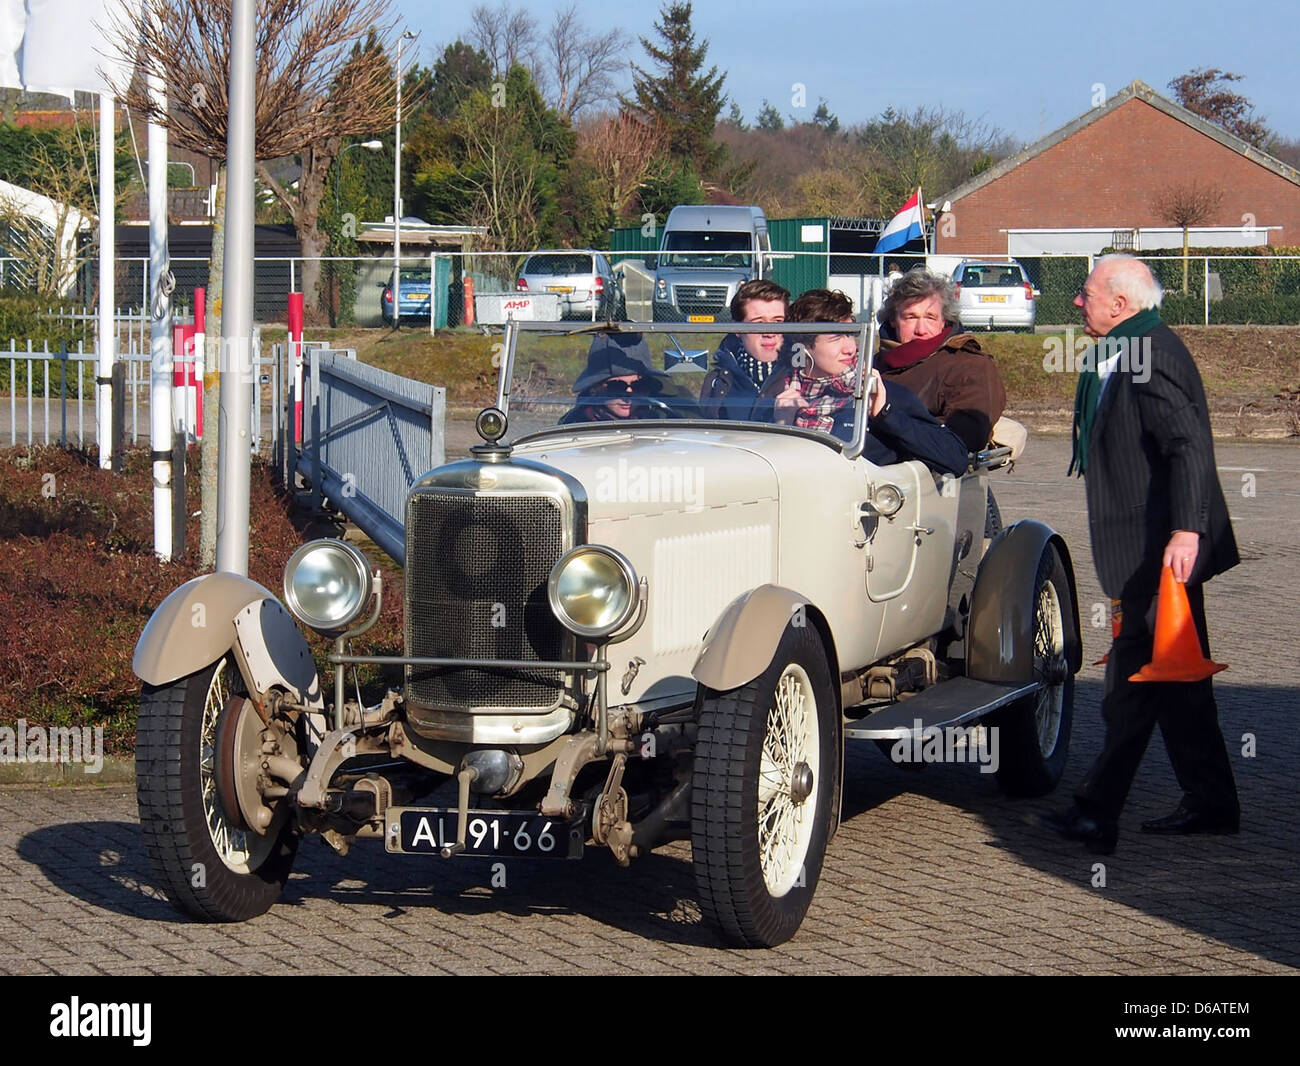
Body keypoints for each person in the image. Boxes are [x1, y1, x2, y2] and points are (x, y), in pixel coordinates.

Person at [1044, 255, 1240, 855]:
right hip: (1149, 548)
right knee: (1178, 679)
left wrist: (1188, 530)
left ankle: (1097, 809)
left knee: (1138, 679)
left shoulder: (1151, 352)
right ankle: (1212, 803)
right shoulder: (1125, 348)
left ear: (1121, 305)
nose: (1078, 304)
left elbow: (1188, 446)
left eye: (1087, 294)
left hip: (1160, 550)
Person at [763, 289, 968, 476]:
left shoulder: (881, 393)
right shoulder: (776, 395)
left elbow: (955, 459)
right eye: (836, 338)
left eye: (852, 335)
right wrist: (782, 427)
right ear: (804, 346)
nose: (850, 348)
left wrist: (885, 415)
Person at [876, 269, 1007, 455]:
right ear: (893, 320)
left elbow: (965, 436)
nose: (920, 330)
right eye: (910, 317)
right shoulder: (873, 364)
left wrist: (886, 421)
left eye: (930, 317)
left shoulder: (969, 365)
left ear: (944, 321)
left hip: (923, 473)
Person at [698, 279, 791, 419]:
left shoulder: (801, 379)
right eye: (759, 324)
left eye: (778, 322)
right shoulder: (718, 382)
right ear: (738, 329)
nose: (770, 333)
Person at [560, 333, 671, 423]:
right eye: (617, 386)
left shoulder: (662, 420)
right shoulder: (574, 425)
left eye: (639, 385)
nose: (628, 395)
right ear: (596, 389)